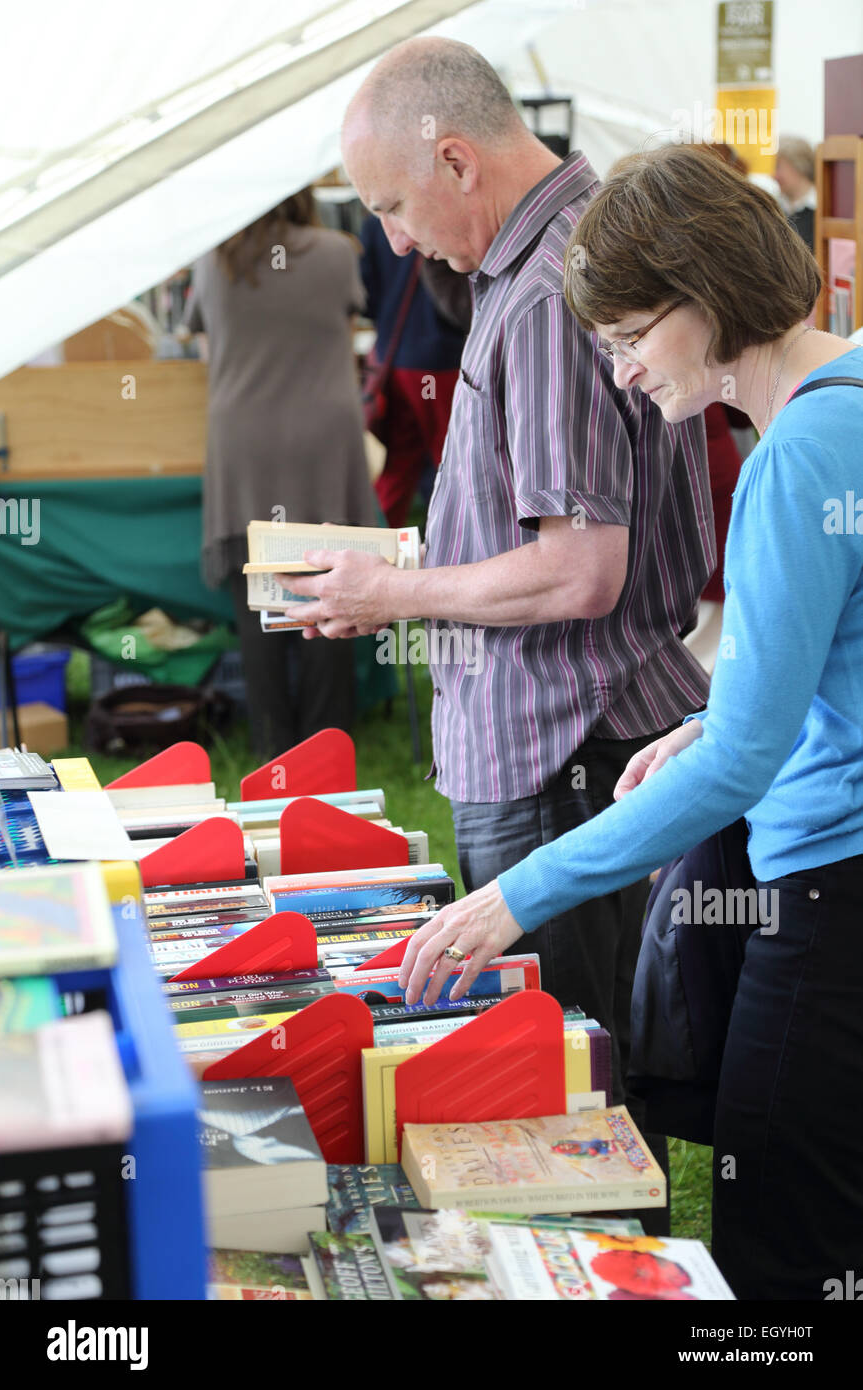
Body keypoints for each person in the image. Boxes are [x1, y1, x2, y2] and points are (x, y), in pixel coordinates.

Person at [396, 142, 863, 1301]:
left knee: (779, 1242)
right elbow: (816, 672)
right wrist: (711, 720)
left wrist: (516, 894)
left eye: (625, 338)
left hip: (827, 889)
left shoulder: (796, 454)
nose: (615, 374)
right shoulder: (838, 407)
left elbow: (746, 765)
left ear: (702, 297)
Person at [283, 39, 714, 1135]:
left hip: (560, 754)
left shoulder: (543, 297)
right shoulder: (553, 265)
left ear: (457, 161)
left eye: (392, 203)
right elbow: (545, 529)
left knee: (569, 1110)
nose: (391, 238)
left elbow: (579, 571)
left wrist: (395, 594)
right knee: (572, 1093)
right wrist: (400, 577)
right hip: (564, 748)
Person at [184, 188, 379, 761]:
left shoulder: (213, 260)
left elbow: (202, 344)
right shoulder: (338, 252)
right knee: (333, 579)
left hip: (246, 437)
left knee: (257, 587)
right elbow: (345, 328)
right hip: (322, 433)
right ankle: (326, 744)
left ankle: (273, 745)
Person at [359, 215, 467, 526]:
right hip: (438, 360)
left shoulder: (376, 220)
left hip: (393, 360)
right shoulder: (442, 212)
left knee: (398, 465)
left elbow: (366, 296)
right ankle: (459, 546)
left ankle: (373, 546)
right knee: (453, 462)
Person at [774, 136, 817, 250]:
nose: (774, 175)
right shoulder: (776, 209)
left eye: (778, 167)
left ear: (799, 166)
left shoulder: (823, 211)